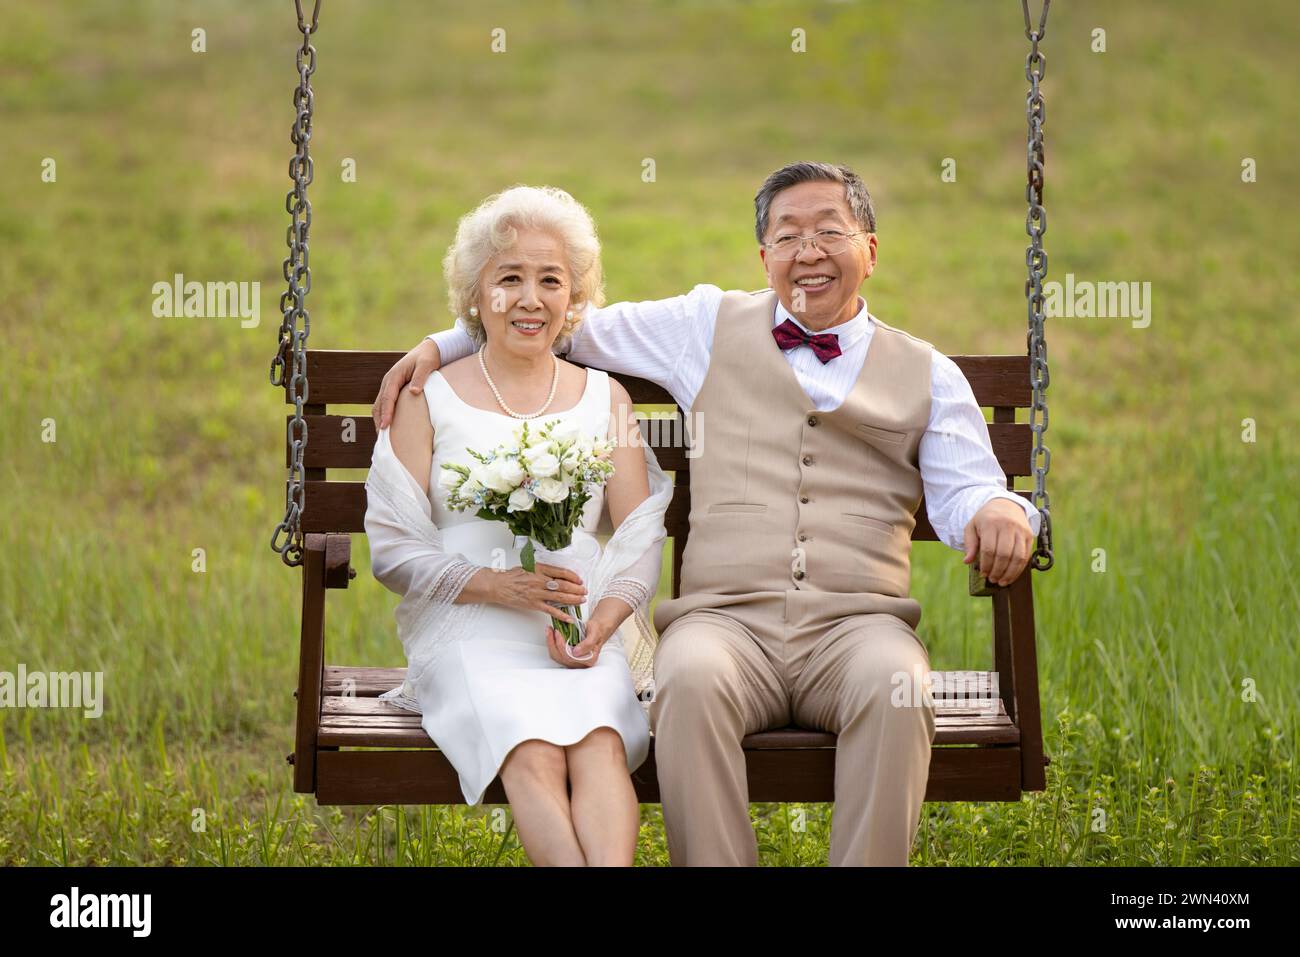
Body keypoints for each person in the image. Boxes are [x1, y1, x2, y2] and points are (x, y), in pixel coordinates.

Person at [372, 162, 1041, 866]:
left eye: (829, 232)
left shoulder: (929, 372)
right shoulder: (704, 325)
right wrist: (443, 344)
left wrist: (1000, 507)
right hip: (726, 625)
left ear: (869, 250)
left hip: (858, 626)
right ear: (764, 257)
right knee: (686, 680)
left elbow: (969, 487)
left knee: (898, 685)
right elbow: (559, 319)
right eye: (788, 237)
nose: (808, 253)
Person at [364, 185, 672, 866]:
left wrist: (605, 620)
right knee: (530, 748)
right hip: (469, 627)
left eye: (550, 280)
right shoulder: (428, 397)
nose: (530, 298)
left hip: (580, 625)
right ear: (476, 294)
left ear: (573, 301)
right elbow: (390, 549)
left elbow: (640, 532)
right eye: (509, 278)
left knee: (598, 742)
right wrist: (494, 586)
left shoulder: (605, 398)